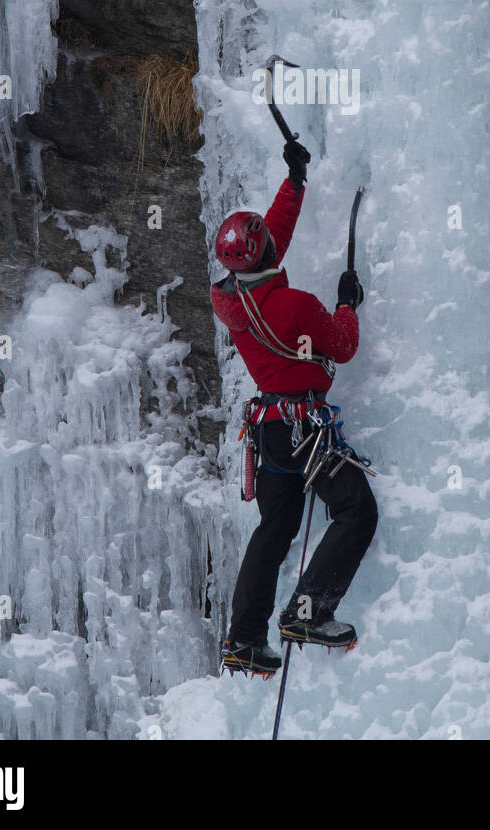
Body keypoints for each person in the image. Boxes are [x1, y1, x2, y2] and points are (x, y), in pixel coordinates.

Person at [211, 138, 378, 677]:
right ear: (261, 256)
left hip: (271, 435)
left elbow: (270, 241)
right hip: (305, 432)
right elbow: (343, 347)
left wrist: (295, 180)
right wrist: (347, 304)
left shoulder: (231, 299)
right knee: (356, 510)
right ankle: (308, 612)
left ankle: (242, 641)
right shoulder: (296, 306)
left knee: (274, 532)